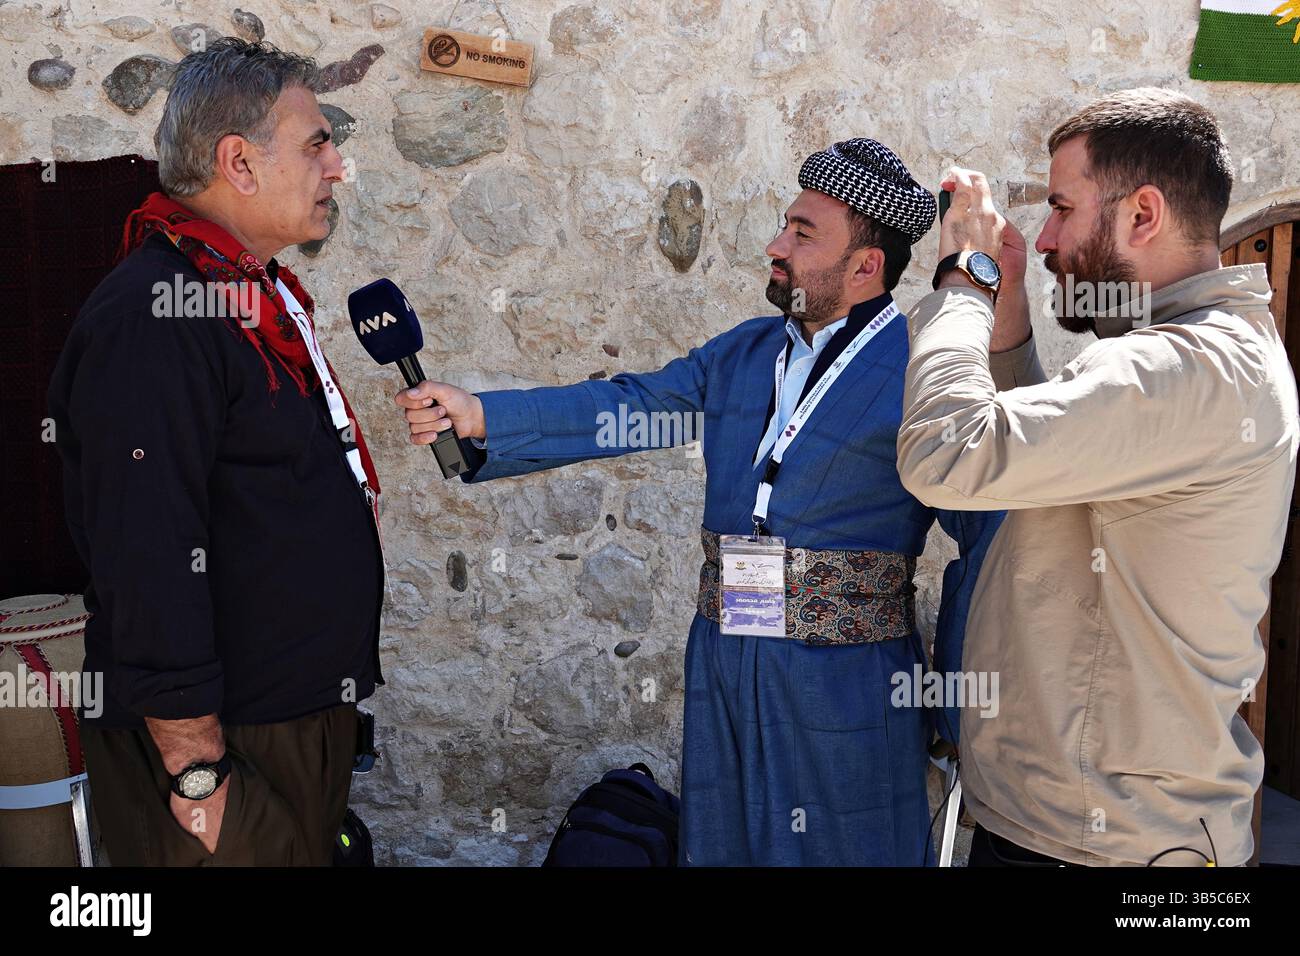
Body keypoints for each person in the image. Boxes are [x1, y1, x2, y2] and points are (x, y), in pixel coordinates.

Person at [398, 139, 1027, 865]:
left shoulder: (923, 367)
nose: (775, 246)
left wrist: (955, 697)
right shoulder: (745, 353)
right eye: (784, 226)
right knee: (723, 845)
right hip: (725, 660)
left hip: (848, 683)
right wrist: (481, 415)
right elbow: (630, 405)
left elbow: (988, 535)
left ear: (865, 266)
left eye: (801, 233)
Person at [897, 88, 1299, 866]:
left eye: (1061, 208)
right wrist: (1007, 307)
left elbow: (948, 452)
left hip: (1102, 846)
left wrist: (963, 285)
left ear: (1142, 215)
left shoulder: (1182, 366)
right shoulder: (1190, 354)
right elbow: (1041, 471)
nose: (1045, 238)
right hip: (1080, 829)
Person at [47, 38, 384, 865]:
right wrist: (198, 771)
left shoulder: (242, 297)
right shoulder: (153, 320)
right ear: (238, 161)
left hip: (283, 722)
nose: (336, 167)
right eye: (316, 143)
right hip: (220, 747)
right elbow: (148, 550)